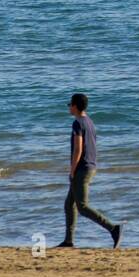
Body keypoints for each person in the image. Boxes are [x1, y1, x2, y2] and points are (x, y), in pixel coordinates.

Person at [56, 93, 122, 249]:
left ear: (75, 106)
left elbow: (78, 149)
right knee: (69, 204)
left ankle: (113, 228)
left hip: (82, 169)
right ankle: (68, 241)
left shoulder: (77, 123)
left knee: (83, 207)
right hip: (90, 166)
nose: (68, 107)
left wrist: (72, 170)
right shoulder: (90, 122)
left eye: (69, 104)